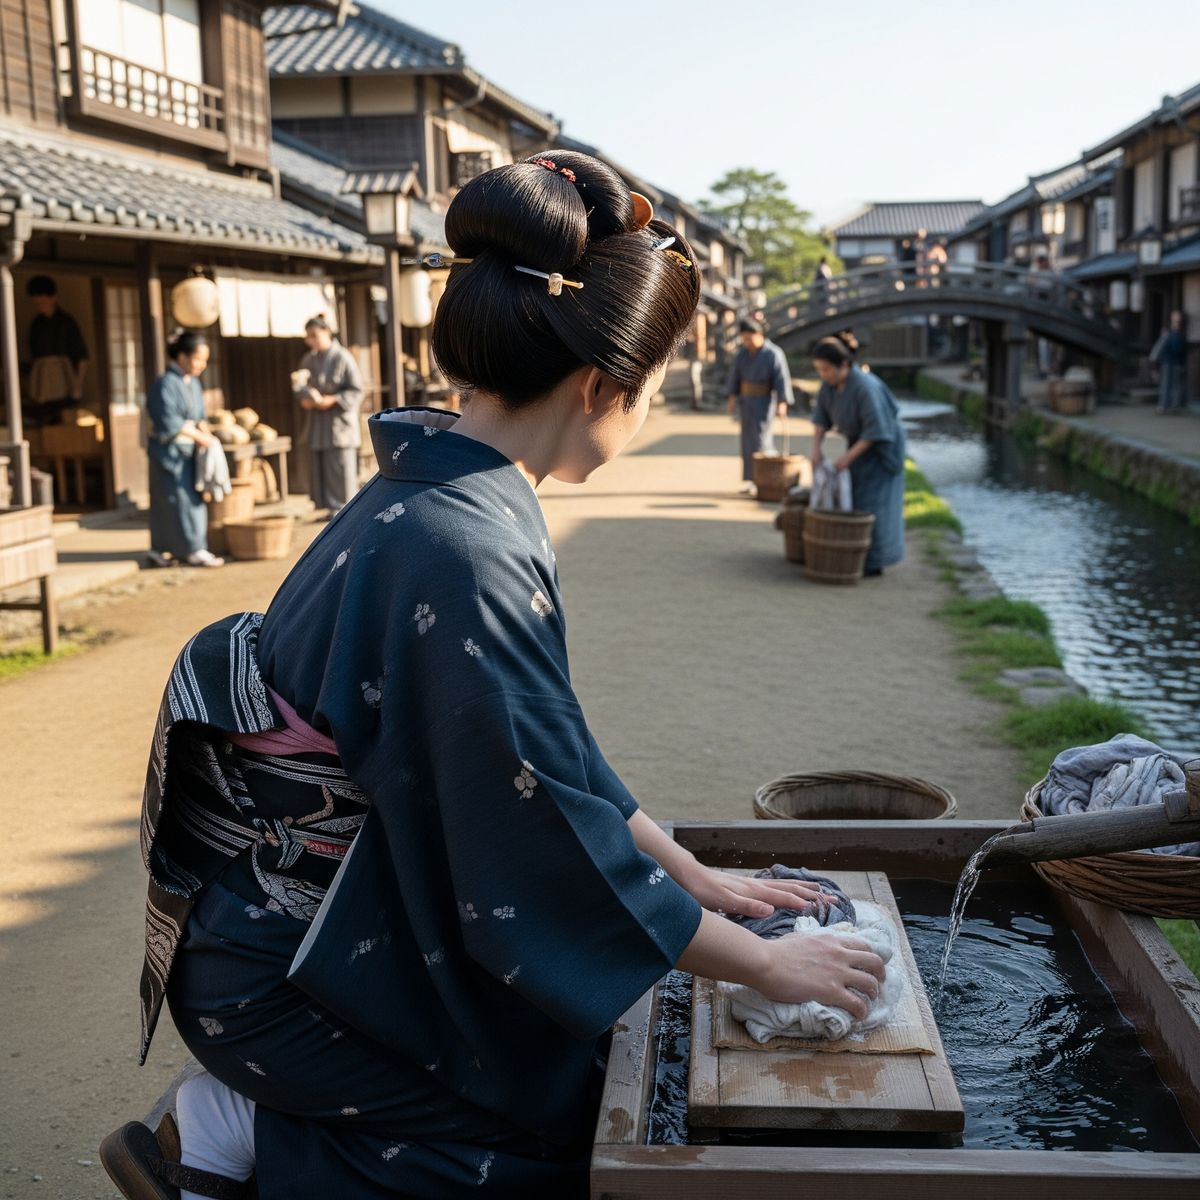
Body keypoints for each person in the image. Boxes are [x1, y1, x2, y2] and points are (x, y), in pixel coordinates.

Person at [102, 151, 885, 1200]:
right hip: (285, 969)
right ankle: (223, 1138)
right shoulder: (463, 546)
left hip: (297, 912)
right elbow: (530, 837)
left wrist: (692, 878)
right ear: (601, 386)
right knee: (549, 1126)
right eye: (650, 393)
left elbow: (539, 761)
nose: (645, 414)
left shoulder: (443, 490)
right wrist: (763, 963)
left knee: (572, 1051)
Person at [809, 336, 906, 576]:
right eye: (819, 370)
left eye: (826, 369)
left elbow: (875, 431)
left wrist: (846, 459)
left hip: (883, 446)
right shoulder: (829, 385)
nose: (823, 374)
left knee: (874, 504)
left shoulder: (865, 387)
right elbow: (821, 419)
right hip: (859, 443)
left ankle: (875, 561)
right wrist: (815, 450)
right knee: (856, 494)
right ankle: (858, 556)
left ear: (843, 365)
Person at [145, 330, 224, 569]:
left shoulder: (193, 384)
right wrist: (199, 436)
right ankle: (171, 549)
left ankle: (192, 547)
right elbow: (168, 421)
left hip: (189, 451)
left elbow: (199, 416)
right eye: (198, 358)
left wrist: (205, 432)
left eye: (205, 360)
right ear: (181, 357)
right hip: (168, 452)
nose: (202, 364)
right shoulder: (164, 384)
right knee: (172, 501)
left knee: (191, 499)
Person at [294, 315, 365, 515]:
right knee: (322, 468)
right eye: (308, 337)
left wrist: (333, 400)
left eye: (315, 335)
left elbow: (357, 390)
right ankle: (329, 508)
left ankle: (344, 510)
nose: (311, 341)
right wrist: (305, 399)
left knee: (340, 468)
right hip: (318, 422)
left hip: (338, 423)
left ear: (327, 332)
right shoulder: (308, 359)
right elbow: (300, 387)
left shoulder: (343, 357)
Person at [725, 317, 794, 495]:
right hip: (746, 400)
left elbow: (781, 379)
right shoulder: (743, 353)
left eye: (749, 338)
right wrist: (732, 397)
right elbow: (735, 376)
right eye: (744, 339)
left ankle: (765, 478)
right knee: (747, 441)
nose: (747, 342)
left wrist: (782, 402)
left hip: (764, 401)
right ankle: (750, 479)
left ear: (759, 334)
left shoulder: (773, 353)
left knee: (761, 439)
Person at [24, 274, 88, 428]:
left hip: (64, 378)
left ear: (52, 297)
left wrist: (78, 385)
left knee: (65, 417)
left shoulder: (66, 322)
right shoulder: (37, 324)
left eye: (42, 301)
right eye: (37, 302)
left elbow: (82, 356)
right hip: (42, 378)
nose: (40, 305)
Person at [1153, 311, 1188, 414]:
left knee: (1175, 385)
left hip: (1176, 362)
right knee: (1166, 384)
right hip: (1168, 362)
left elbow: (1179, 349)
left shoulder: (1179, 335)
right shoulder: (1168, 333)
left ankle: (1174, 405)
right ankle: (1164, 405)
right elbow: (1163, 349)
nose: (1176, 321)